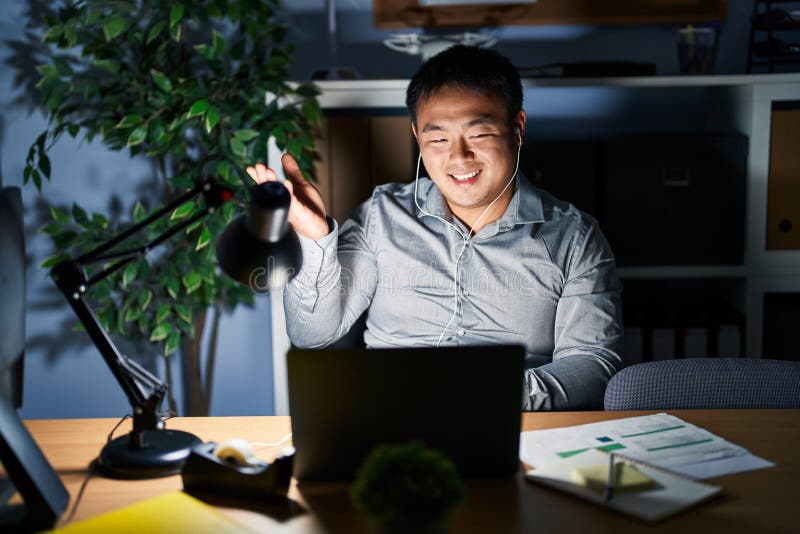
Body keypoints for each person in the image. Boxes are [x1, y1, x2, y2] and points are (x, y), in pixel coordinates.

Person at [246, 45, 622, 410]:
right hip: (390, 423)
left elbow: (592, 367)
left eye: (479, 134)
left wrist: (489, 394)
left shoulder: (576, 238)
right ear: (417, 137)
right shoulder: (381, 215)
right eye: (438, 138)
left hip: (515, 423)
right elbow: (312, 336)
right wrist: (316, 241)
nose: (458, 157)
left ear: (517, 127)